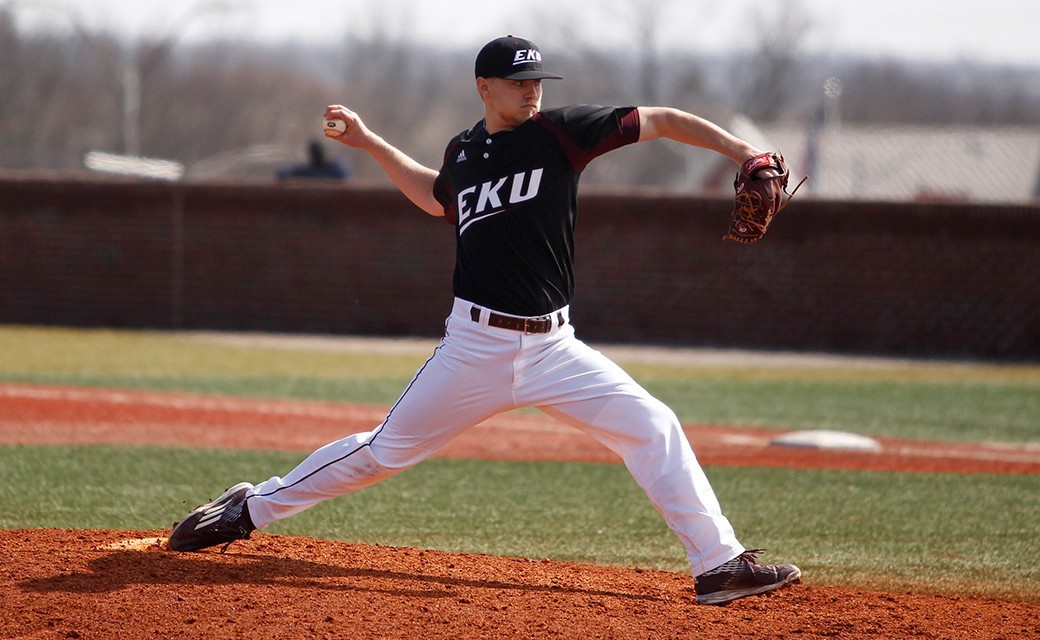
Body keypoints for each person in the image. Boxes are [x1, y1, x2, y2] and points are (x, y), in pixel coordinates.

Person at [169, 35, 801, 606]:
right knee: (385, 452)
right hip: (474, 347)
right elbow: (437, 196)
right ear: (485, 87)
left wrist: (745, 150)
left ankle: (717, 564)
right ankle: (249, 510)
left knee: (653, 424)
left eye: (537, 82)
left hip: (556, 348)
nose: (531, 91)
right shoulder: (465, 153)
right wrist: (367, 142)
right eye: (519, 81)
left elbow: (659, 120)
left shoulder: (561, 133)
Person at [276, 139, 352, 180]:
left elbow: (345, 178)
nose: (318, 155)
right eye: (315, 153)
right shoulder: (308, 169)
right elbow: (283, 173)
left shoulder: (335, 167)